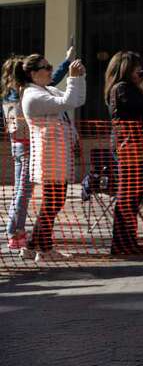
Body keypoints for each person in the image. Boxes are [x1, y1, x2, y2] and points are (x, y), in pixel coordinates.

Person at [18, 53, 86, 262]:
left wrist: (80, 77)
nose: (50, 70)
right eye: (46, 67)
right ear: (32, 73)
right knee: (53, 202)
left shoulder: (46, 90)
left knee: (54, 201)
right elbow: (68, 100)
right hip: (49, 155)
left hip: (58, 153)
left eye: (49, 66)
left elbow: (77, 100)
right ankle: (44, 249)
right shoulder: (33, 95)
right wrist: (73, 78)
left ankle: (31, 246)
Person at [4, 50, 71, 252]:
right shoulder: (21, 94)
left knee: (23, 191)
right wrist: (66, 63)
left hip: (20, 145)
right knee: (24, 192)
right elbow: (14, 124)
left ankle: (22, 234)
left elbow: (10, 125)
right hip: (27, 146)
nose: (49, 72)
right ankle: (15, 232)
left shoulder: (11, 94)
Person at [106, 50, 143, 257]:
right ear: (125, 68)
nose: (141, 70)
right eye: (137, 66)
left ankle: (129, 241)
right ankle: (120, 243)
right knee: (128, 196)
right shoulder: (122, 89)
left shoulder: (130, 88)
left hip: (136, 145)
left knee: (135, 196)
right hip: (129, 146)